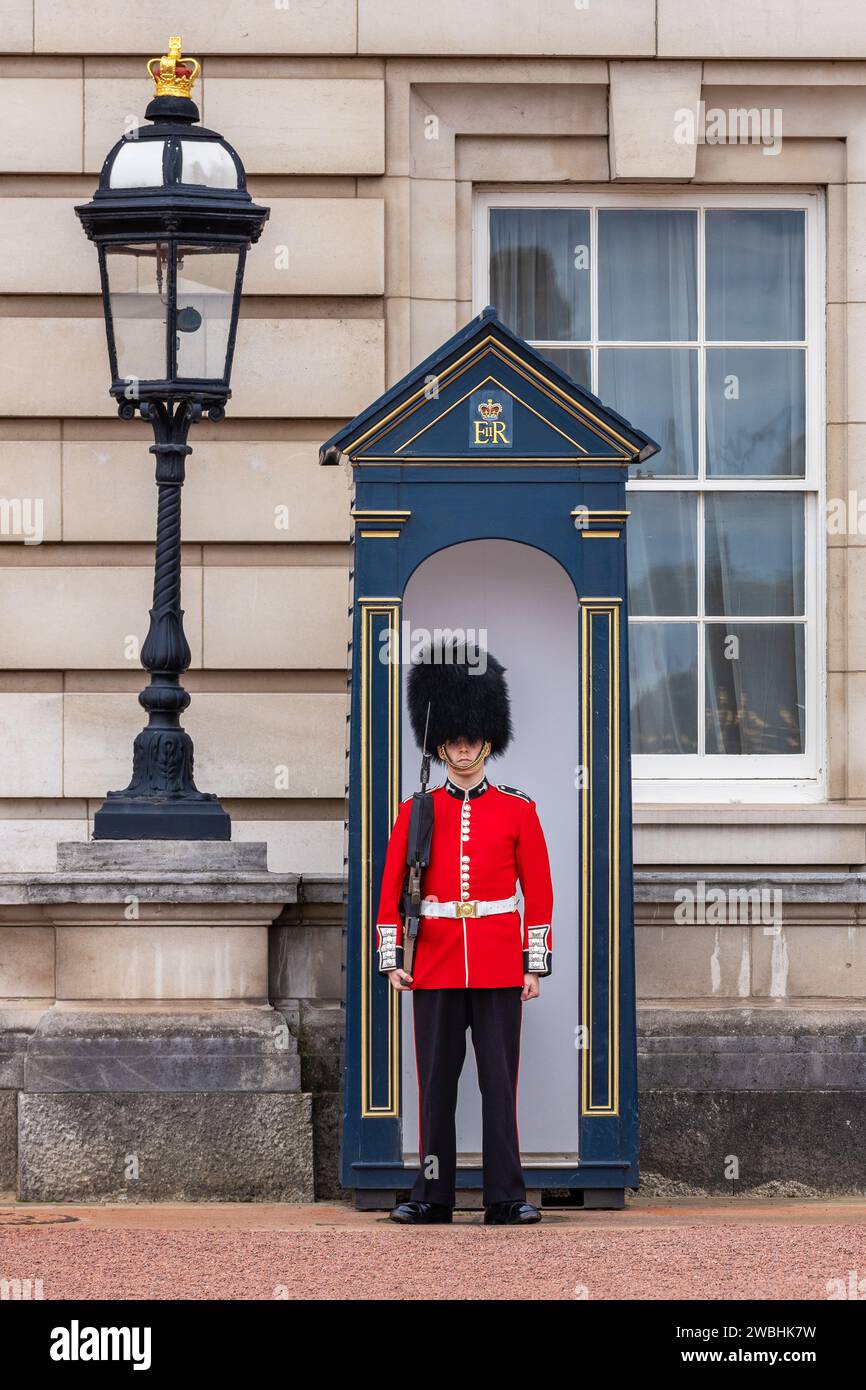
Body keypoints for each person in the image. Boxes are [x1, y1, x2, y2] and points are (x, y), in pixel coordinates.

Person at [374, 638, 554, 1225]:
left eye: (472, 737)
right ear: (440, 743)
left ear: (487, 740)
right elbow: (390, 889)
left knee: (500, 1086)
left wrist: (534, 962)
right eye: (453, 738)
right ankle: (432, 1196)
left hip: (500, 961)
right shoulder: (415, 810)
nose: (463, 747)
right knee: (436, 1087)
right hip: (436, 963)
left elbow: (540, 893)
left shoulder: (518, 810)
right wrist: (391, 957)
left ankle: (506, 1196)